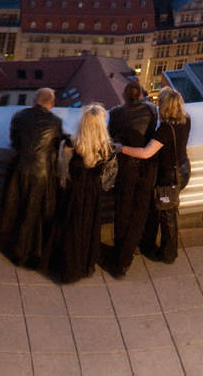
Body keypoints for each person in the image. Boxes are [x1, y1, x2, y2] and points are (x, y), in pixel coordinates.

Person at [0, 88, 63, 270]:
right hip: (42, 172)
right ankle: (30, 252)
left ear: (34, 100)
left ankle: (17, 249)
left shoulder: (20, 116)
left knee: (18, 208)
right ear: (52, 104)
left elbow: (14, 141)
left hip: (20, 168)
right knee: (34, 212)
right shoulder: (55, 122)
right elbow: (56, 147)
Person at [104, 82, 162, 277]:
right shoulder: (151, 110)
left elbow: (111, 137)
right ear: (140, 96)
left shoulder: (115, 113)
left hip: (125, 168)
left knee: (123, 211)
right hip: (147, 169)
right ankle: (126, 256)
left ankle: (120, 254)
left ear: (124, 96)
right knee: (139, 214)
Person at [53, 104, 113, 284]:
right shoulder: (106, 149)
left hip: (75, 191)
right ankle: (87, 264)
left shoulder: (71, 143)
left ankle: (70, 268)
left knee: (72, 227)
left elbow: (62, 169)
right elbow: (109, 176)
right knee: (90, 227)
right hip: (93, 193)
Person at [143, 90, 192, 262]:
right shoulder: (186, 119)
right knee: (168, 211)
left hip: (168, 178)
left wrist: (121, 148)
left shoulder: (165, 129)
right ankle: (166, 249)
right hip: (183, 169)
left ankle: (169, 254)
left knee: (168, 215)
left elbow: (146, 153)